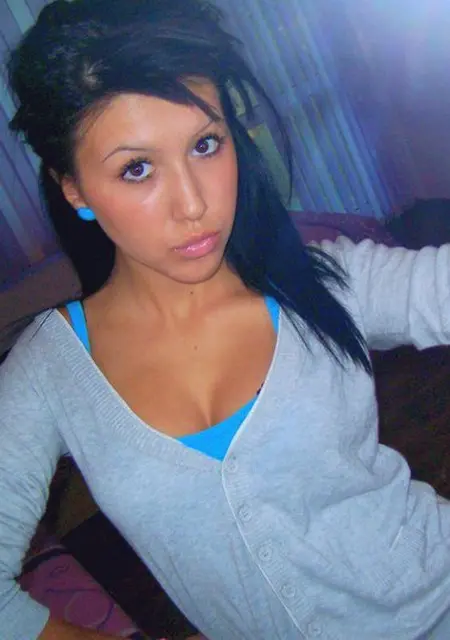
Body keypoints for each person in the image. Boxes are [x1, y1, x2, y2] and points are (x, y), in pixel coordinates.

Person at [3, 0, 450, 638]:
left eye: (205, 144)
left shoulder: (322, 283)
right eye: (137, 169)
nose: (194, 204)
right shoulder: (49, 373)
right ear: (72, 187)